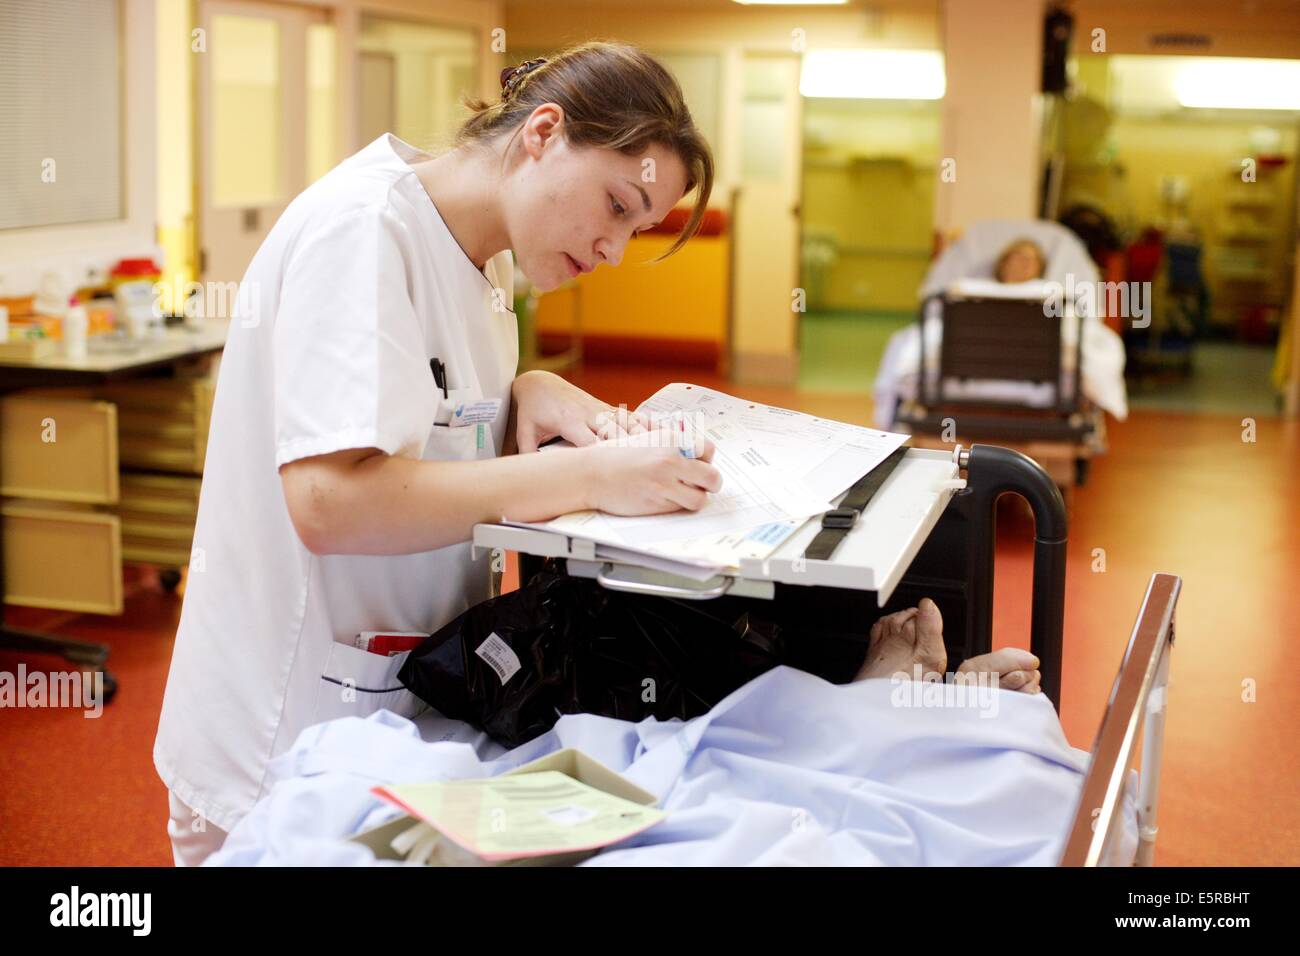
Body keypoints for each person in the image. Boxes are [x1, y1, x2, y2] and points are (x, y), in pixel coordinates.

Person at [155, 41, 722, 866]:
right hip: (283, 739)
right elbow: (329, 501)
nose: (613, 251)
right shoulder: (365, 229)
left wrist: (526, 389)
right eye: (615, 205)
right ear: (543, 132)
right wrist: (590, 473)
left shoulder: (484, 261)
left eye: (637, 228)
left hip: (393, 715)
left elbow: (427, 422)